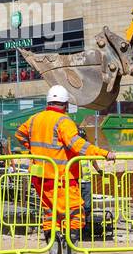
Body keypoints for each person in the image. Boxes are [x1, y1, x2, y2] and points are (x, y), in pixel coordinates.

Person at [13, 85, 114, 242]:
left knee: (50, 214)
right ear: (66, 104)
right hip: (61, 179)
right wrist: (104, 153)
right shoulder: (63, 121)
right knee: (75, 213)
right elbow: (78, 145)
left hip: (40, 177)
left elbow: (19, 134)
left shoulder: (34, 119)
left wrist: (34, 150)